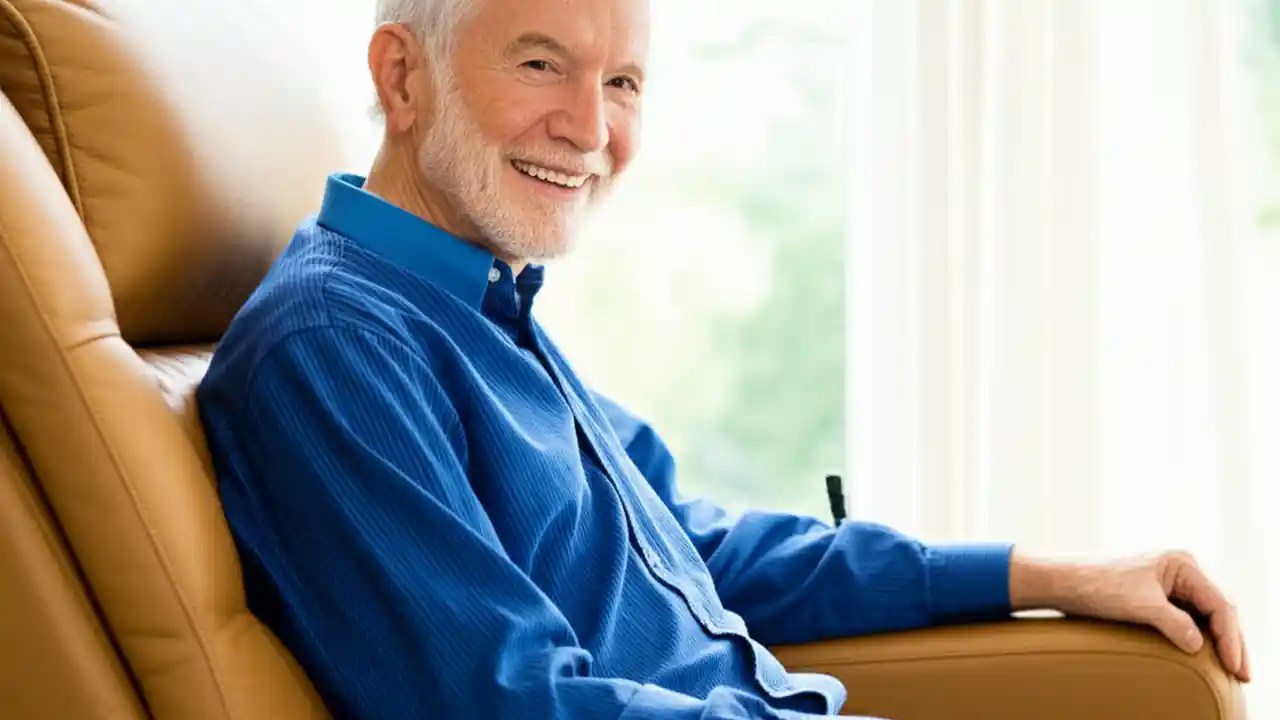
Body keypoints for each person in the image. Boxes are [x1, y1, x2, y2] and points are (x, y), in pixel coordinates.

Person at [196, 0, 1251, 717]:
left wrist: (1042, 575)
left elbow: (690, 549)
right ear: (401, 74)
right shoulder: (335, 344)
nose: (590, 128)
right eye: (539, 63)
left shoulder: (480, 299)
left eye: (622, 82)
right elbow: (507, 699)